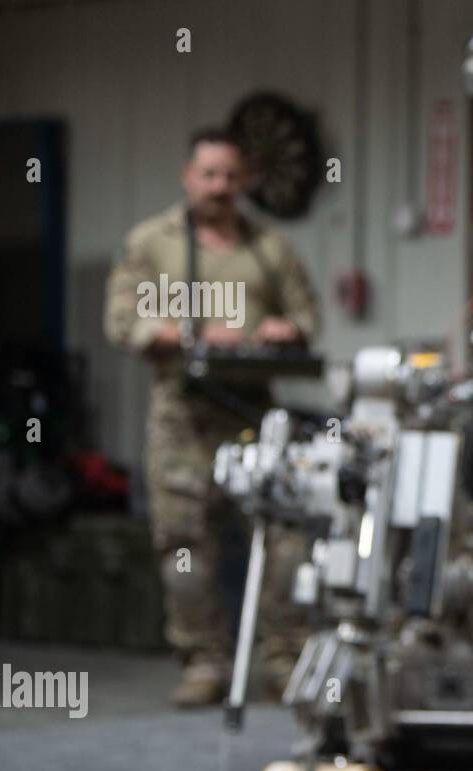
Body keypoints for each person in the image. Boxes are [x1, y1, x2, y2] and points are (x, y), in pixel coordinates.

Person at [104, 127, 320, 706]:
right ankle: (204, 662)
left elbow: (307, 315)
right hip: (184, 417)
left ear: (244, 180)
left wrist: (287, 329)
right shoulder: (154, 242)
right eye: (209, 175)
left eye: (231, 176)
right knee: (183, 544)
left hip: (256, 416)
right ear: (188, 175)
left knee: (284, 540)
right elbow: (124, 322)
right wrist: (192, 333)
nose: (220, 187)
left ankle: (285, 660)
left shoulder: (270, 247)